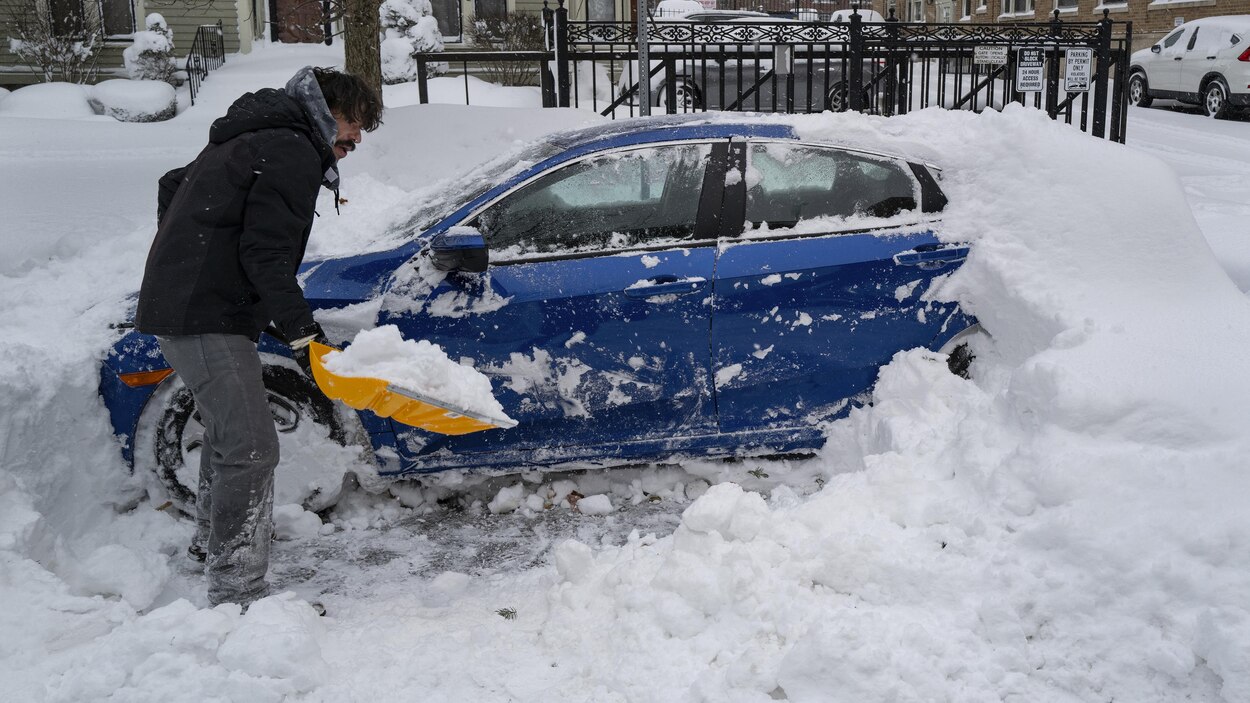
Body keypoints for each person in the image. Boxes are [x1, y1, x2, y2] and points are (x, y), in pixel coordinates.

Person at [134, 66, 382, 609]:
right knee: (251, 448)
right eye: (354, 122)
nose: (356, 138)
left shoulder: (252, 135)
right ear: (326, 109)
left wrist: (187, 262)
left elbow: (173, 184)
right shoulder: (290, 147)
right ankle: (238, 593)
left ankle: (210, 548)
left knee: (230, 439)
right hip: (204, 317)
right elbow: (265, 254)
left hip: (194, 308)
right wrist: (302, 333)